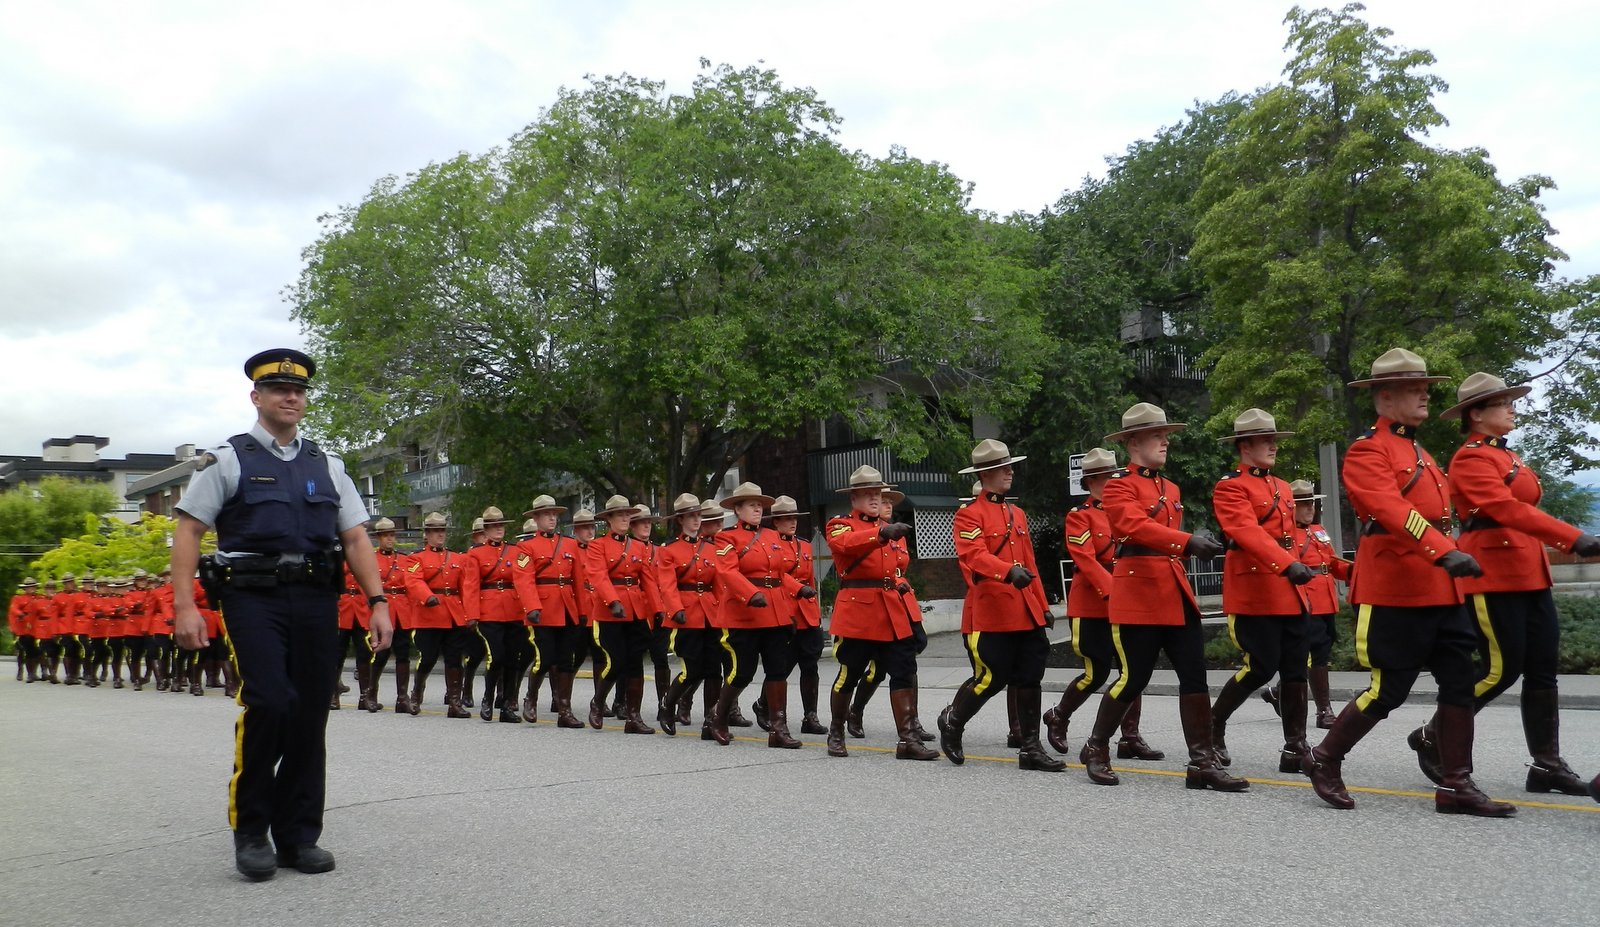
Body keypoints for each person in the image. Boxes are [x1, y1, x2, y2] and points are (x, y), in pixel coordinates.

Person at [171, 348, 393, 880]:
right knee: (270, 702)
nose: (290, 397)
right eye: (277, 389)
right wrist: (184, 606)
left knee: (311, 713)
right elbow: (189, 531)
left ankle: (298, 836)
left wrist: (378, 600)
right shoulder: (227, 459)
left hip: (317, 599)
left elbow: (356, 537)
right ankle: (251, 830)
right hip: (252, 598)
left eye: (297, 391)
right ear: (257, 397)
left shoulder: (328, 464)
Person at [1301, 348, 1511, 816]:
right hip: (1395, 587)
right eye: (1414, 388)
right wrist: (1444, 549)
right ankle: (1325, 758)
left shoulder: (1419, 450)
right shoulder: (1367, 450)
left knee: (1459, 681)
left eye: (1425, 387)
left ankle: (1456, 783)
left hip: (1441, 587)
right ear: (1385, 396)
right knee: (1389, 689)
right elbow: (1393, 512)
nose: (1425, 395)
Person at [1404, 373, 1600, 795]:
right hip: (1492, 575)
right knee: (1499, 670)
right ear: (1476, 414)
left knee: (1544, 671)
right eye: (1502, 403)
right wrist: (1573, 538)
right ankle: (1433, 734)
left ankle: (1546, 765)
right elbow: (1504, 509)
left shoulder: (1507, 457)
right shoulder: (1471, 458)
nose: (1513, 408)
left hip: (1529, 573)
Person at [1078, 404, 1246, 791]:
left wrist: (1194, 541)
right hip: (1138, 591)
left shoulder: (1170, 488)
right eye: (1157, 435)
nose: (1166, 440)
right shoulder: (1119, 485)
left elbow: (1168, 538)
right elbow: (1132, 525)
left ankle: (1202, 762)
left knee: (1195, 675)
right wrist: (1187, 541)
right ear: (1134, 442)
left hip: (1174, 588)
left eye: (1166, 434)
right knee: (1133, 677)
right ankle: (1097, 745)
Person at [937, 440, 1065, 772]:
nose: (1010, 471)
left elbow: (1030, 563)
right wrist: (1007, 571)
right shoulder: (969, 514)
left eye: (1010, 465)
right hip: (991, 609)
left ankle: (1030, 748)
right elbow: (974, 556)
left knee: (1030, 678)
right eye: (1003, 466)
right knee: (991, 678)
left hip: (1024, 609)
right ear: (986, 473)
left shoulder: (1016, 512)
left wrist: (1042, 605)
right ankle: (953, 722)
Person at [1208, 409, 1317, 774]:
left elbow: (1289, 539)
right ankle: (1213, 723)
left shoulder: (1283, 486)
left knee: (1296, 669)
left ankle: (1295, 746)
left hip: (1290, 591)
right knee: (1260, 667)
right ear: (1244, 446)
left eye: (1274, 439)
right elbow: (1247, 532)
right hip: (1255, 591)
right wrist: (1287, 565)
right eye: (1265, 440)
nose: (1273, 445)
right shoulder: (1230, 486)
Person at [1044, 447, 1164, 760]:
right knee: (1095, 673)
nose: (1112, 481)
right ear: (1090, 482)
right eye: (1104, 477)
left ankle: (1129, 737)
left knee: (1131, 670)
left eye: (1115, 475)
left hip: (1126, 603)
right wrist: (1113, 590)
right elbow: (1084, 558)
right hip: (1093, 606)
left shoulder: (1127, 510)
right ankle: (1059, 715)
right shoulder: (1080, 516)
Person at [824, 467, 937, 759]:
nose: (875, 498)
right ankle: (836, 731)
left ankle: (908, 740)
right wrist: (880, 533)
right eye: (868, 493)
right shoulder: (841, 524)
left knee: (904, 670)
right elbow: (843, 544)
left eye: (878, 493)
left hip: (891, 608)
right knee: (849, 674)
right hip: (859, 611)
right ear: (854, 497)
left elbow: (899, 567)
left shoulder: (891, 529)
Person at [709, 482, 812, 748]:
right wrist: (749, 593)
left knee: (778, 671)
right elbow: (727, 571)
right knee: (742, 672)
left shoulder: (772, 536)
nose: (757, 509)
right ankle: (718, 719)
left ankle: (779, 728)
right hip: (743, 613)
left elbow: (779, 576)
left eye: (760, 505)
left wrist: (799, 590)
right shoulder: (726, 537)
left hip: (774, 612)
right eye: (751, 505)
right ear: (738, 509)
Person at [1261, 480, 1351, 728]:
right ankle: (1324, 711)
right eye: (1303, 504)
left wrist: (1353, 571)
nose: (1309, 508)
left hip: (1327, 600)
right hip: (1306, 599)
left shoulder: (1318, 530)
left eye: (1311, 502)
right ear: (1291, 507)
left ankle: (1279, 692)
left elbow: (1331, 562)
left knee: (1320, 649)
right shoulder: (1286, 535)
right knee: (1317, 655)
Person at [585, 495, 662, 733]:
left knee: (635, 663)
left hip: (636, 609)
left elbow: (648, 580)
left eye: (628, 515)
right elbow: (597, 575)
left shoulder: (638, 547)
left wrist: (658, 609)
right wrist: (613, 600)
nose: (625, 519)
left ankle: (634, 716)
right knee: (616, 661)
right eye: (621, 515)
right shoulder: (597, 545)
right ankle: (598, 702)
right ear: (609, 519)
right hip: (611, 611)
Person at [752, 495, 824, 734]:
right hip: (785, 608)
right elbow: (779, 579)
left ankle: (810, 716)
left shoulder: (804, 544)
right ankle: (764, 705)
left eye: (794, 517)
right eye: (785, 518)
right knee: (782, 664)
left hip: (807, 611)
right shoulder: (771, 545)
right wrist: (798, 590)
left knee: (810, 665)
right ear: (776, 522)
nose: (792, 522)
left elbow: (811, 577)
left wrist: (816, 606)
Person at [462, 506, 540, 723]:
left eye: (500, 526)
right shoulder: (475, 554)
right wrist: (471, 615)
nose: (498, 530)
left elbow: (525, 581)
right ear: (485, 531)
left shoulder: (517, 552)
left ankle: (506, 705)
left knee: (513, 660)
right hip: (489, 613)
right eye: (493, 526)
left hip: (514, 610)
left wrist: (530, 608)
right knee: (496, 656)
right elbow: (470, 586)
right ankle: (488, 699)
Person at [655, 493, 724, 736]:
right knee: (691, 670)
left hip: (710, 613)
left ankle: (711, 720)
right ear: (680, 520)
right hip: (686, 613)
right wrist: (676, 609)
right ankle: (668, 705)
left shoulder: (711, 548)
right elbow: (667, 584)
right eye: (690, 516)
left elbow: (718, 583)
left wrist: (722, 609)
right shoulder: (669, 550)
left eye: (698, 515)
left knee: (715, 670)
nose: (696, 520)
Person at [516, 495, 586, 728]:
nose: (552, 519)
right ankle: (531, 698)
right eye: (547, 515)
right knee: (544, 659)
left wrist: (582, 610)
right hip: (543, 609)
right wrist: (532, 607)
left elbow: (578, 580)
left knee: (566, 660)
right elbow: (524, 580)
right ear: (536, 518)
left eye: (554, 515)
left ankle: (564, 710)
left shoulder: (569, 545)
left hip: (566, 607)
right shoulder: (526, 547)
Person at [402, 512, 471, 717]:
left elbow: (465, 587)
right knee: (428, 657)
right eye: (435, 531)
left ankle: (454, 703)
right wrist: (427, 596)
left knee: (454, 659)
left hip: (453, 613)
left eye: (442, 531)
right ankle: (416, 694)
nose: (440, 535)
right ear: (427, 534)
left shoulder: (456, 558)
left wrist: (469, 613)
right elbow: (413, 581)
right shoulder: (416, 558)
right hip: (429, 614)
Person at [367, 518, 417, 714]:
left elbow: (411, 585)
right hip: (383, 609)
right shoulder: (371, 559)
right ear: (379, 538)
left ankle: (402, 698)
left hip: (402, 610)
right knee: (381, 653)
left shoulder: (405, 559)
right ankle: (371, 694)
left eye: (392, 535)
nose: (390, 539)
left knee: (403, 654)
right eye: (386, 536)